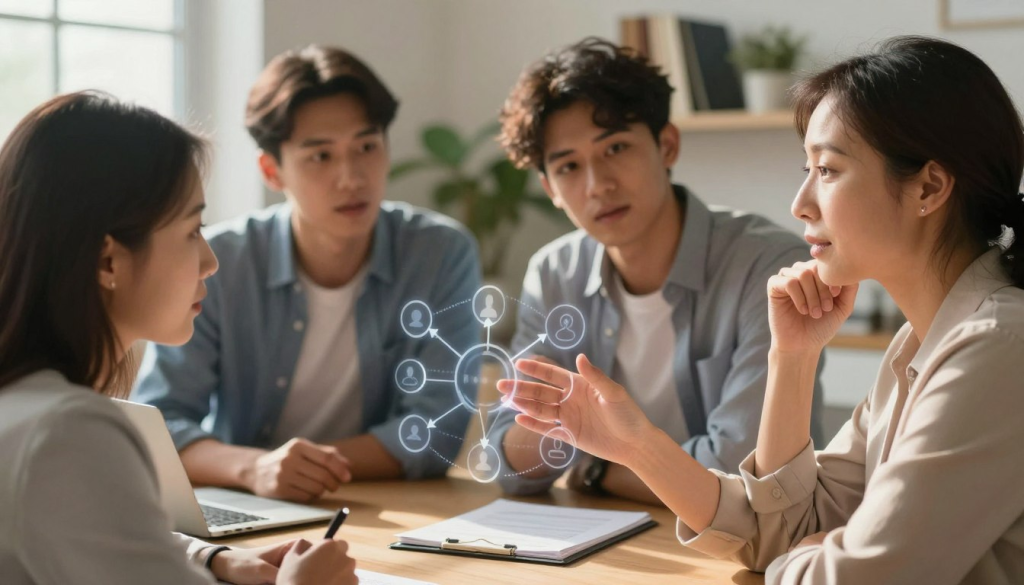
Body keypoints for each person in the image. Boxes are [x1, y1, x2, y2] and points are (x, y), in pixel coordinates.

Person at [501, 36, 1024, 584]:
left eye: (826, 170)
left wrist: (806, 556)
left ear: (930, 187)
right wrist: (788, 358)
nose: (800, 204)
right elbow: (780, 530)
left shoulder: (995, 346)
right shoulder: (920, 344)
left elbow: (856, 577)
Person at [0, 92, 357, 584]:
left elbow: (86, 527)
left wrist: (211, 558)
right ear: (108, 261)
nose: (210, 262)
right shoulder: (68, 432)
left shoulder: (27, 406)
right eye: (193, 230)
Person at [133, 45, 481, 502]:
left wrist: (298, 469)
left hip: (388, 503)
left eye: (367, 146)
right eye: (321, 156)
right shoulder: (219, 261)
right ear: (272, 170)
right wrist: (255, 468)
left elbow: (436, 428)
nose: (352, 177)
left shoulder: (440, 253)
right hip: (247, 500)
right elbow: (159, 421)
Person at [490, 37, 824, 504]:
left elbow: (741, 471)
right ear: (549, 188)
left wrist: (593, 468)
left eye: (616, 148)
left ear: (666, 145)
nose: (598, 185)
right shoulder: (553, 273)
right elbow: (511, 467)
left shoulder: (766, 267)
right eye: (568, 166)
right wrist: (543, 422)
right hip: (610, 540)